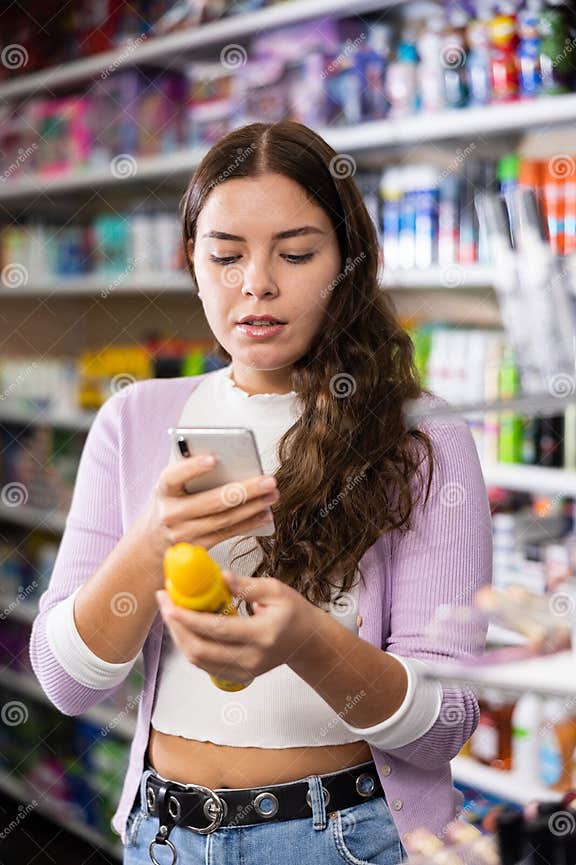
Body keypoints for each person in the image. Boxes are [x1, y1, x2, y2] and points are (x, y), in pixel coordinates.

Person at [29, 120, 492, 865]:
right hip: (166, 836)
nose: (257, 284)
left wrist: (307, 642)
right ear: (193, 263)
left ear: (348, 259)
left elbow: (446, 724)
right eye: (225, 255)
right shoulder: (136, 418)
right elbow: (65, 683)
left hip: (347, 837)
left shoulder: (422, 436)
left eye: (298, 252)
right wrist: (151, 544)